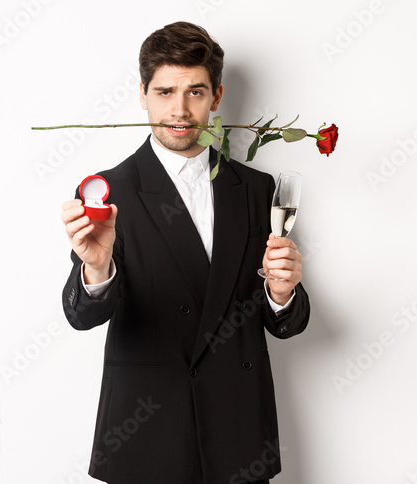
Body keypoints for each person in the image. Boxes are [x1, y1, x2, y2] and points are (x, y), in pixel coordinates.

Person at [59, 21, 309, 483]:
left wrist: (281, 293)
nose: (179, 110)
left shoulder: (257, 189)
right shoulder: (108, 191)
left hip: (238, 435)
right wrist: (97, 269)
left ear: (216, 97)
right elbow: (82, 316)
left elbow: (286, 325)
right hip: (145, 436)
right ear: (143, 95)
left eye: (195, 92)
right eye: (164, 92)